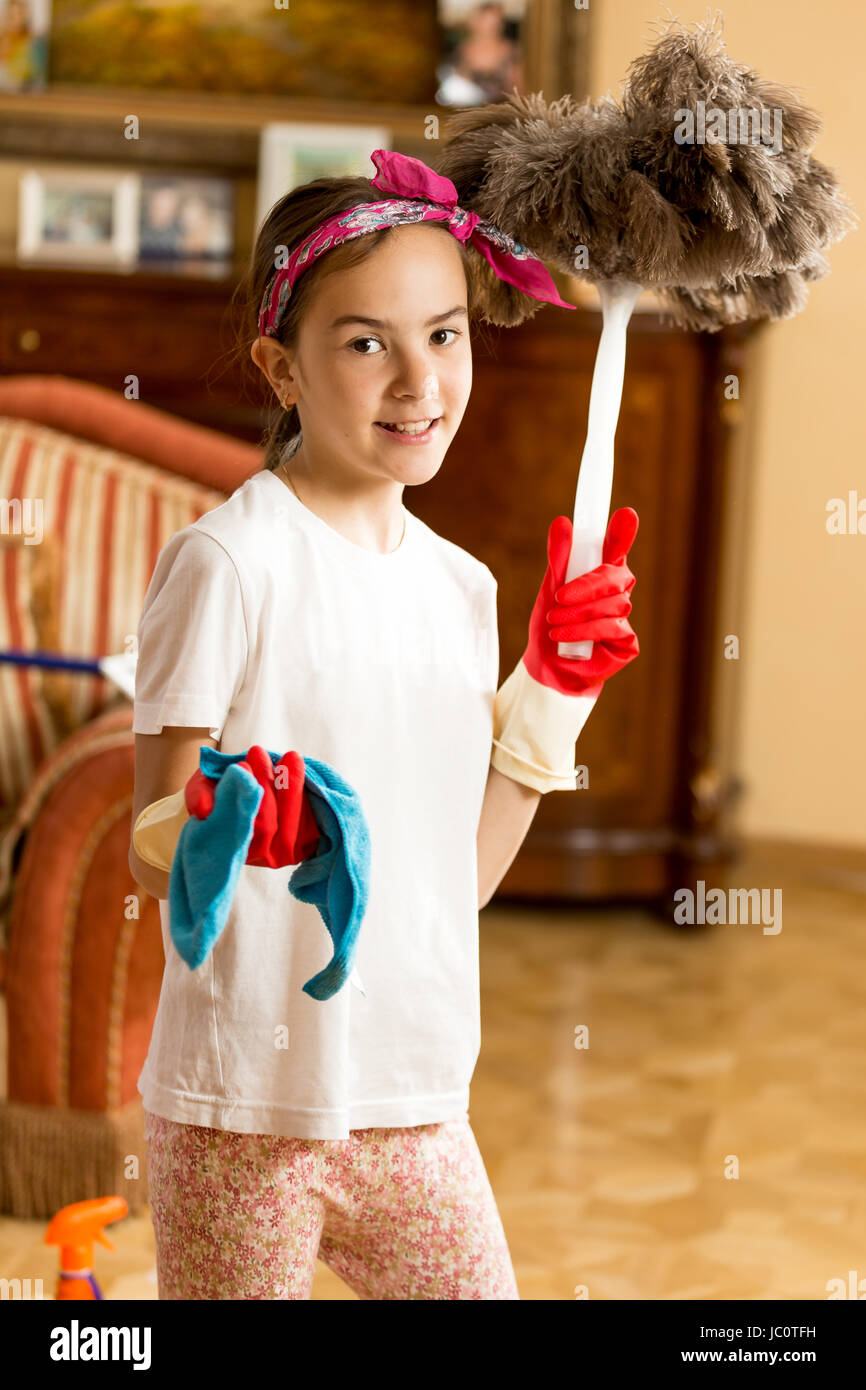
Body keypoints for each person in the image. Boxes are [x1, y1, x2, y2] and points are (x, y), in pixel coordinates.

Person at [128, 148, 639, 1300]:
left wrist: (552, 690)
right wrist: (233, 823)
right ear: (282, 367)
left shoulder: (460, 588)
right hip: (241, 1111)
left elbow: (455, 884)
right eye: (366, 343)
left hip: (414, 1101)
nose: (418, 380)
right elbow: (151, 847)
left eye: (444, 334)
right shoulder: (228, 564)